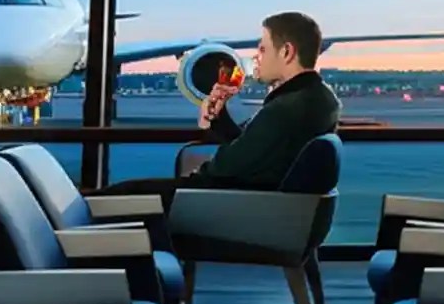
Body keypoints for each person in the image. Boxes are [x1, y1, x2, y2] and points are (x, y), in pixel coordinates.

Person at [93, 11, 341, 212]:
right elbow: (256, 151)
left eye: (263, 49)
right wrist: (219, 118)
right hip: (273, 206)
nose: (257, 57)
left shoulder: (286, 109)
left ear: (286, 52)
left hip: (240, 207)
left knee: (117, 199)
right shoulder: (320, 99)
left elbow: (227, 167)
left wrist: (195, 176)